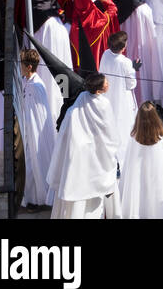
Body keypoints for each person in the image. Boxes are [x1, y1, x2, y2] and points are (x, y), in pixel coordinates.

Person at [46, 72, 121, 220]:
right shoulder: (104, 104)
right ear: (99, 90)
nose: (108, 84)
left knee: (79, 186)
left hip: (79, 150)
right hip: (96, 153)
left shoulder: (82, 97)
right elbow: (110, 133)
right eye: (106, 82)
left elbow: (72, 120)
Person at [118, 101, 163, 219]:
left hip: (138, 182)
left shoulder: (133, 140)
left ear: (138, 120)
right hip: (157, 181)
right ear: (155, 120)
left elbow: (129, 165)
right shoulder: (161, 143)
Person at [19, 48, 56, 209]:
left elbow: (39, 115)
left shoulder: (36, 85)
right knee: (29, 165)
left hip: (35, 133)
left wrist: (31, 133)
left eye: (21, 64)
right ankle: (31, 198)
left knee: (36, 163)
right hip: (28, 131)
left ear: (28, 67)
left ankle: (40, 199)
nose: (20, 66)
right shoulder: (28, 82)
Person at [98, 30, 138, 159]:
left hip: (107, 95)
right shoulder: (124, 62)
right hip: (121, 98)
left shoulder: (105, 54)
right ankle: (124, 155)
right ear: (123, 47)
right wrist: (134, 69)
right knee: (123, 125)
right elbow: (131, 84)